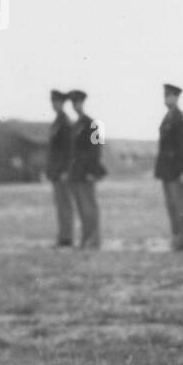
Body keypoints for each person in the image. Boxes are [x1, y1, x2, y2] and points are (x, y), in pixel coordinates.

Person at [154, 83, 183, 252]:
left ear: (176, 97)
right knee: (171, 206)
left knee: (180, 207)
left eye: (169, 95)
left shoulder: (181, 118)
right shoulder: (167, 117)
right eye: (165, 95)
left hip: (177, 171)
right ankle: (176, 237)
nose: (166, 99)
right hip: (167, 170)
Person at [67, 90, 106, 248]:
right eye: (74, 103)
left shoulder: (93, 124)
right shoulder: (75, 125)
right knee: (82, 208)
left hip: (87, 172)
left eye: (78, 102)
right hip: (77, 171)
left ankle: (94, 239)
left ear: (83, 103)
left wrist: (92, 171)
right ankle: (85, 238)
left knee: (90, 206)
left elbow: (96, 150)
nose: (76, 106)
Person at [46, 89, 74, 247]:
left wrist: (65, 170)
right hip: (56, 171)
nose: (53, 105)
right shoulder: (57, 121)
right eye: (52, 102)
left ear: (62, 103)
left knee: (65, 204)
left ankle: (67, 237)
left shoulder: (65, 123)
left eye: (56, 102)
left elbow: (69, 150)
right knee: (60, 204)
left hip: (62, 171)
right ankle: (63, 236)